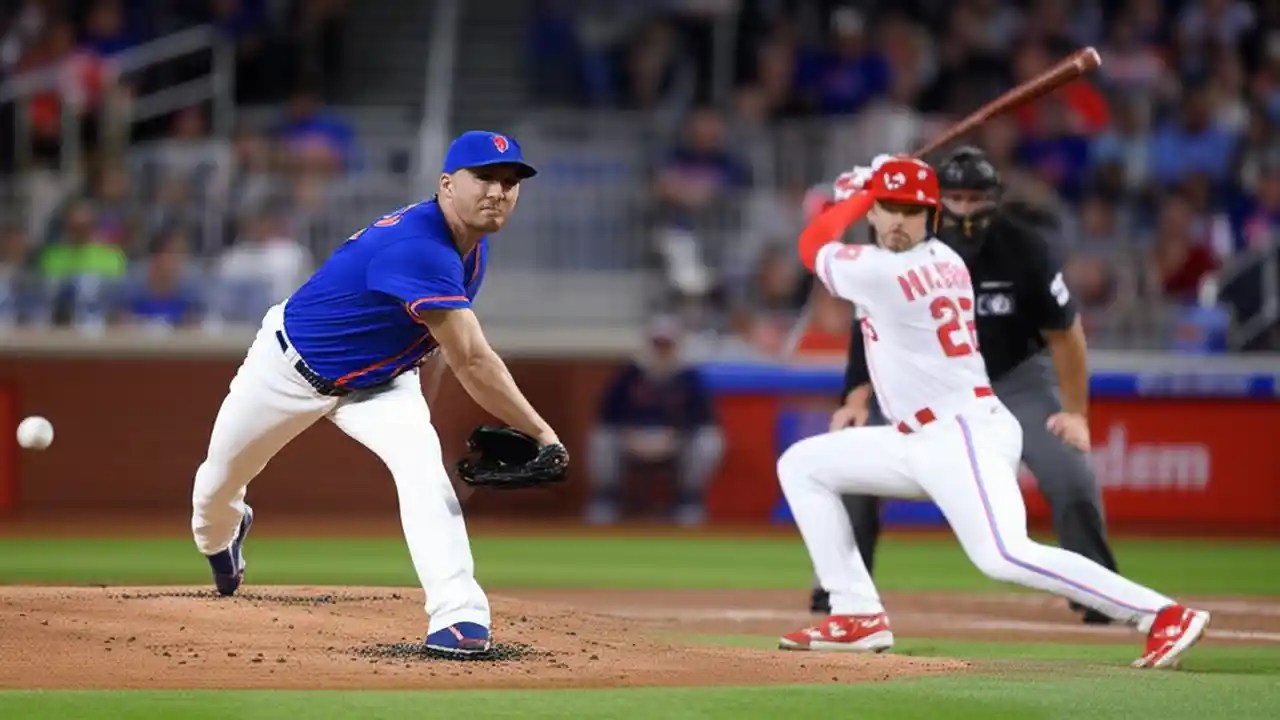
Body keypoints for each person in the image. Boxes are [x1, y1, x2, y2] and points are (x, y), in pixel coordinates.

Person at [776, 155, 1208, 670]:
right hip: (914, 437)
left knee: (1004, 555)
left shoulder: (882, 270)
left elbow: (812, 246)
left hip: (962, 436)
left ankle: (1161, 614)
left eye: (910, 211)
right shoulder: (945, 259)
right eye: (888, 208)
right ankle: (856, 612)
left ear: (931, 218)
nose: (896, 221)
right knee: (802, 465)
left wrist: (843, 201)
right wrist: (863, 193)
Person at [190, 131, 566, 657]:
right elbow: (473, 361)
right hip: (287, 369)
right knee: (214, 490)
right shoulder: (422, 247)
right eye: (484, 177)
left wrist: (425, 423)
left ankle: (459, 617)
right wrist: (543, 433)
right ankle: (224, 534)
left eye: (510, 182)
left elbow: (437, 346)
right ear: (446, 184)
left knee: (423, 471)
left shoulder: (469, 251)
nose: (498, 191)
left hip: (381, 385)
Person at [809, 147, 1120, 626]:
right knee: (846, 474)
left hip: (1015, 382)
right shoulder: (908, 245)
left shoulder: (1023, 248)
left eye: (976, 197)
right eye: (954, 196)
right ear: (935, 203)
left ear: (995, 198)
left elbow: (1066, 334)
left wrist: (1075, 413)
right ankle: (846, 594)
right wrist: (855, 396)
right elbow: (866, 320)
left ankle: (1104, 594)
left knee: (1069, 477)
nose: (966, 208)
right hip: (920, 388)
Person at [584, 315, 724, 526]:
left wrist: (675, 437)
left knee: (709, 440)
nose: (662, 350)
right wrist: (630, 435)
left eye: (667, 344)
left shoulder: (689, 377)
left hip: (675, 441)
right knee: (602, 438)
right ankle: (606, 498)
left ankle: (689, 499)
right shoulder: (629, 376)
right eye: (658, 344)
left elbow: (703, 418)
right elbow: (608, 415)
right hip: (632, 439)